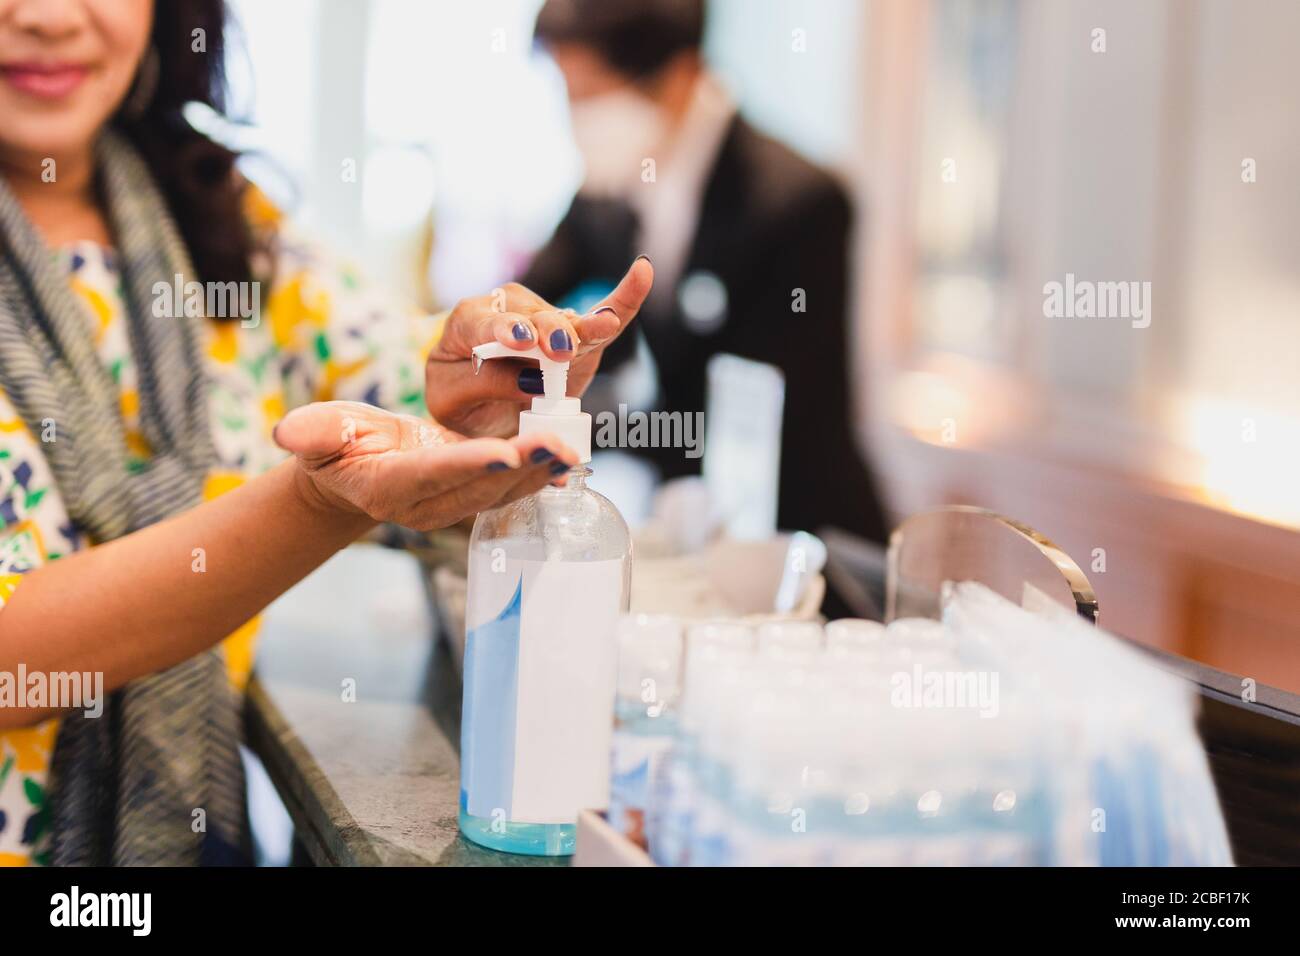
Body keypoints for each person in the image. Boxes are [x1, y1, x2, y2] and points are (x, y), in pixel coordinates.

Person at [0, 0, 651, 865]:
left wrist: (493, 367)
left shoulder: (216, 215)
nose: (47, 15)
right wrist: (316, 504)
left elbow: (401, 365)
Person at [525, 0, 889, 557]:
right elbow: (524, 300)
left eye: (595, 94)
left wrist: (571, 426)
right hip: (690, 525)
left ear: (682, 75)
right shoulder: (609, 188)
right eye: (567, 93)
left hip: (800, 540)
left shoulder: (797, 205)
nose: (578, 117)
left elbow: (753, 409)